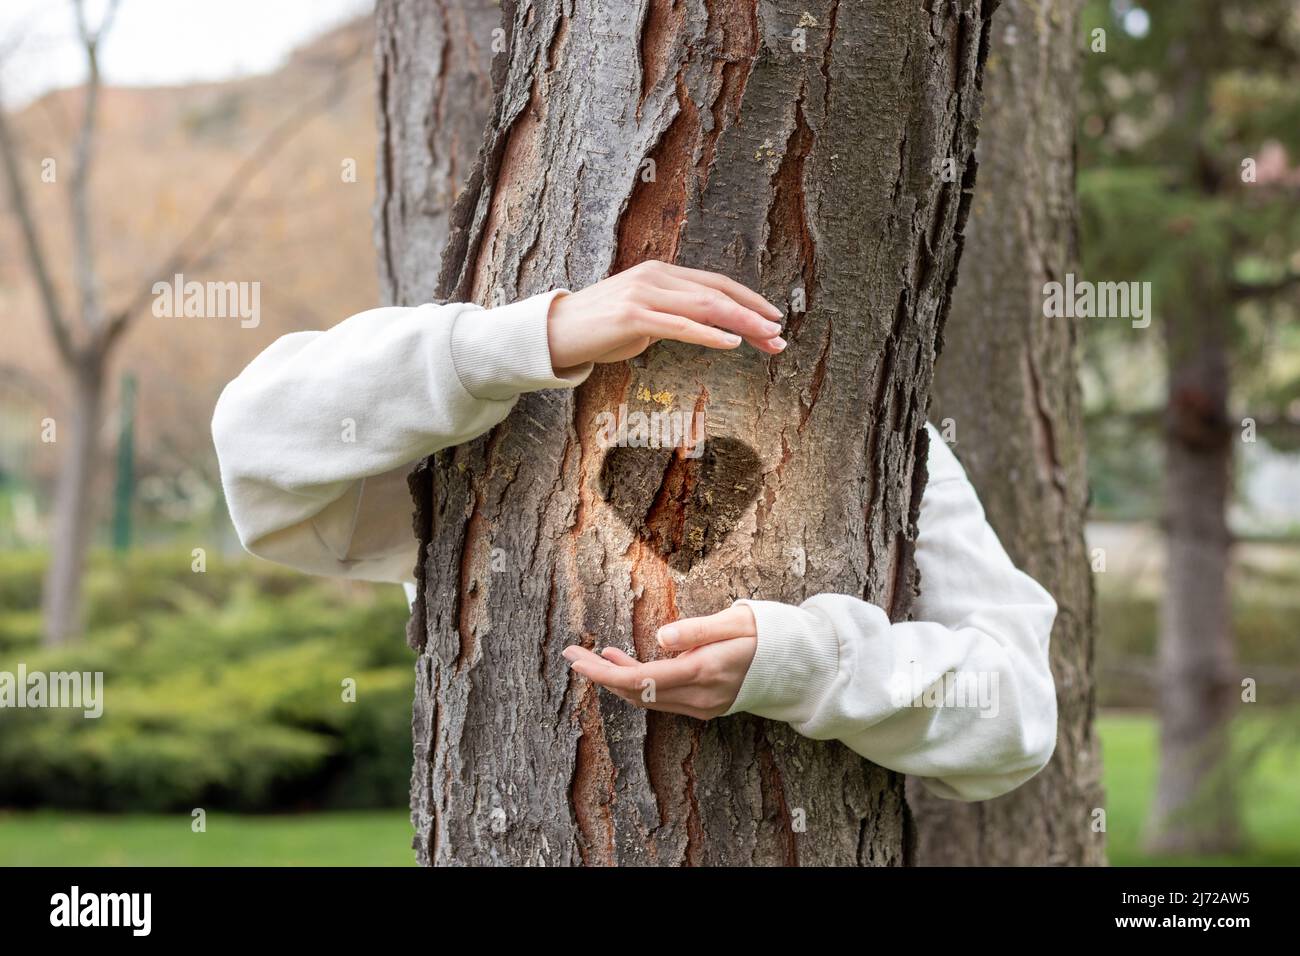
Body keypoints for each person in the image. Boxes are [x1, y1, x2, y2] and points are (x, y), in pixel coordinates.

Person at [212, 260, 1058, 802]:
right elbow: (254, 442)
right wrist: (526, 338)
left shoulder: (891, 440)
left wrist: (806, 665)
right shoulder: (481, 407)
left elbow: (1017, 716)